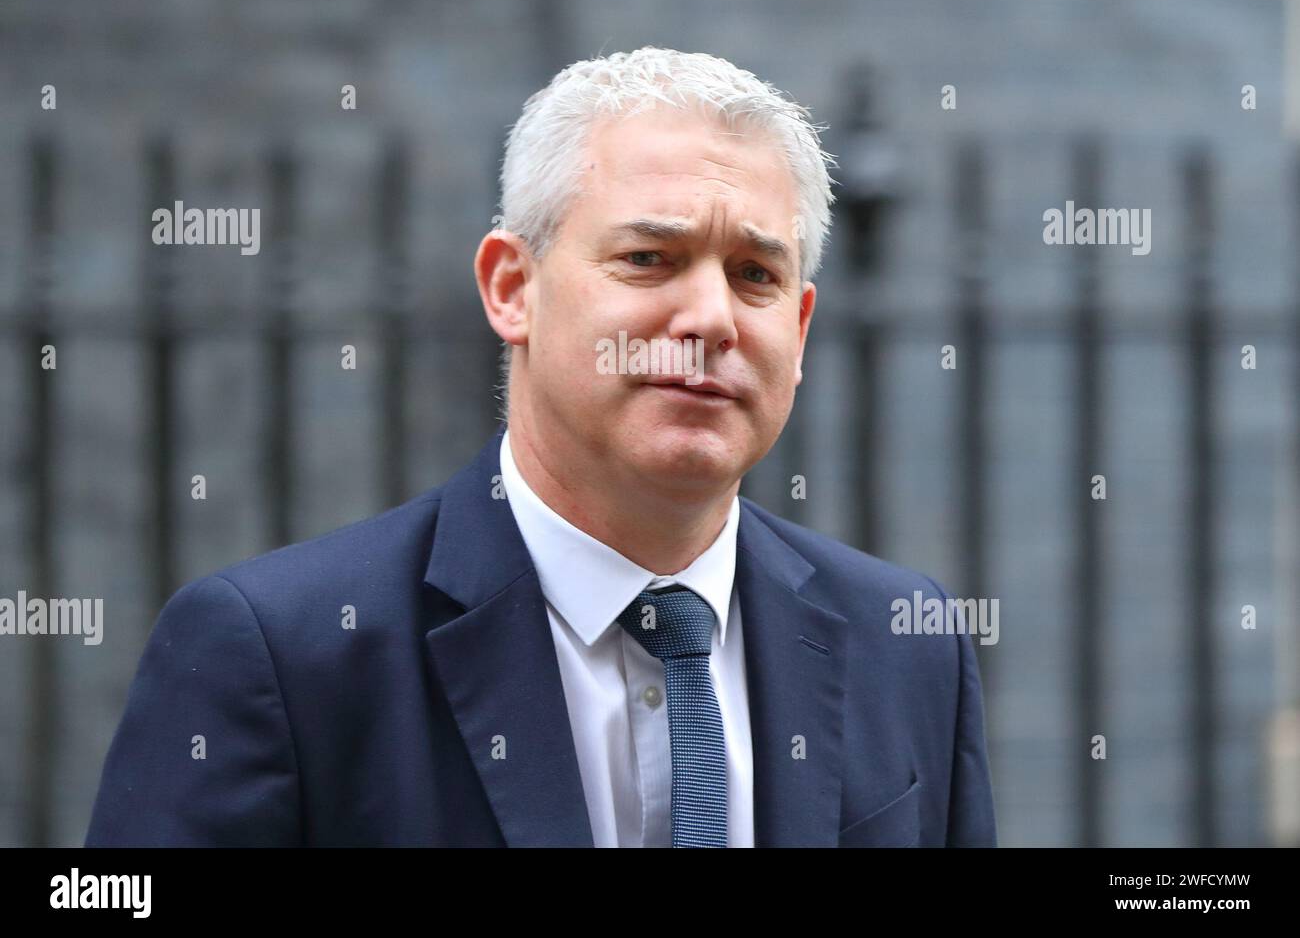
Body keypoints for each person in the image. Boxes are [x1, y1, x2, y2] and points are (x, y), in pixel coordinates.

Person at [85, 47, 996, 847]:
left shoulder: (905, 642)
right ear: (511, 287)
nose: (712, 317)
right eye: (649, 258)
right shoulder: (282, 654)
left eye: (755, 275)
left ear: (798, 330)